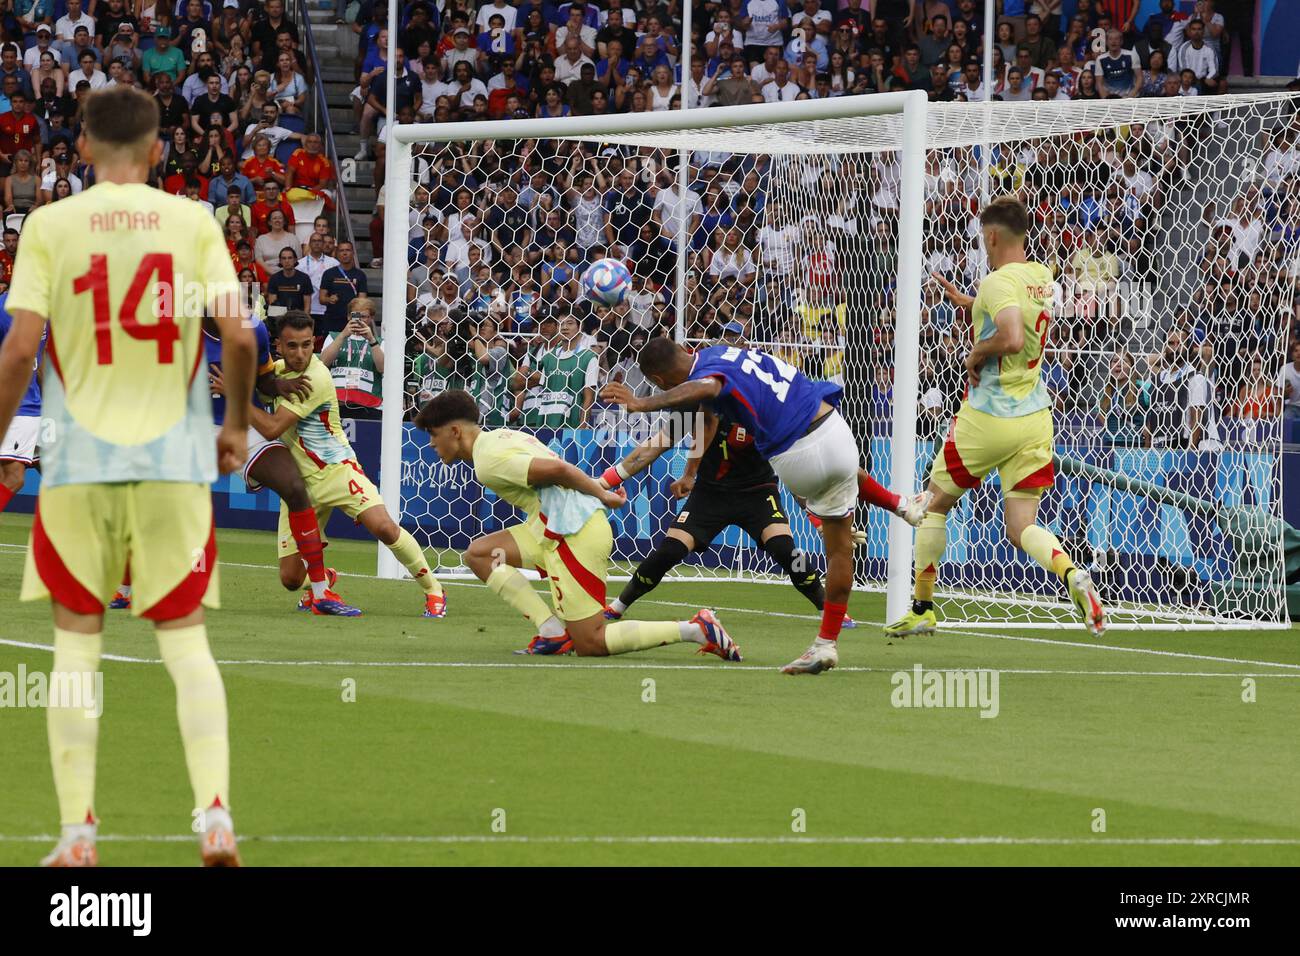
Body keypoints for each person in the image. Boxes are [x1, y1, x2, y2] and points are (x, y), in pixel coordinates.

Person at [0, 85, 256, 867]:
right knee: (184, 642)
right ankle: (214, 818)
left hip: (78, 469)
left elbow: (18, 353)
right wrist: (237, 424)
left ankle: (78, 836)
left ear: (80, 148)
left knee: (76, 645)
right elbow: (240, 339)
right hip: (173, 467)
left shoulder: (48, 226)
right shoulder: (193, 223)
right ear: (157, 152)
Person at [601, 340, 928, 676]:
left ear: (660, 379)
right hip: (834, 431)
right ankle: (900, 504)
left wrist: (642, 403)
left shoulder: (705, 383)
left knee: (806, 549)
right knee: (841, 540)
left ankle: (826, 643)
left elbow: (707, 388)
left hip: (782, 468)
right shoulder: (725, 357)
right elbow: (681, 430)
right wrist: (687, 472)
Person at [886, 196, 1105, 641]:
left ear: (990, 237)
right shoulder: (1041, 275)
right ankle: (1072, 574)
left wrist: (975, 351)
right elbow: (1014, 312)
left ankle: (923, 607)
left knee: (931, 504)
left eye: (982, 239)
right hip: (1036, 418)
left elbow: (1010, 334)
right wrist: (970, 303)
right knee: (1021, 527)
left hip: (989, 416)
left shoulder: (995, 281)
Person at [414, 389, 741, 661]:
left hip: (574, 533)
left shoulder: (489, 461)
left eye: (433, 434)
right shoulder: (499, 436)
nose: (431, 444)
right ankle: (551, 632)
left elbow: (559, 471)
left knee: (591, 643)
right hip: (546, 527)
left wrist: (601, 494)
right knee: (480, 554)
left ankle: (696, 628)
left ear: (455, 431)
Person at [247, 310, 447, 618]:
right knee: (289, 579)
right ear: (279, 346)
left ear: (314, 343)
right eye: (292, 346)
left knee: (383, 527)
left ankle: (434, 590)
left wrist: (234, 397)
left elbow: (272, 428)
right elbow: (259, 382)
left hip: (337, 470)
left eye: (305, 345)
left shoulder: (316, 377)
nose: (300, 353)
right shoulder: (277, 372)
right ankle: (322, 580)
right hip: (298, 485)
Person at [601, 403, 867, 628]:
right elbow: (649, 448)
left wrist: (818, 521)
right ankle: (619, 605)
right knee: (669, 552)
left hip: (758, 493)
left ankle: (830, 610)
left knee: (786, 551)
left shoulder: (765, 413)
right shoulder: (695, 406)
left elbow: (793, 474)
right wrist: (602, 483)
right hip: (709, 494)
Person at [198, 315, 357, 615]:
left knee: (295, 487)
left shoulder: (252, 328)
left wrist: (279, 384)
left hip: (241, 423)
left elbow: (263, 378)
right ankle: (127, 589)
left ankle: (322, 594)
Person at [0, 284, 43, 518]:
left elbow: (40, 358)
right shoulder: (4, 310)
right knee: (13, 477)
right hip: (18, 407)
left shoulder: (41, 314)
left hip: (35, 406)